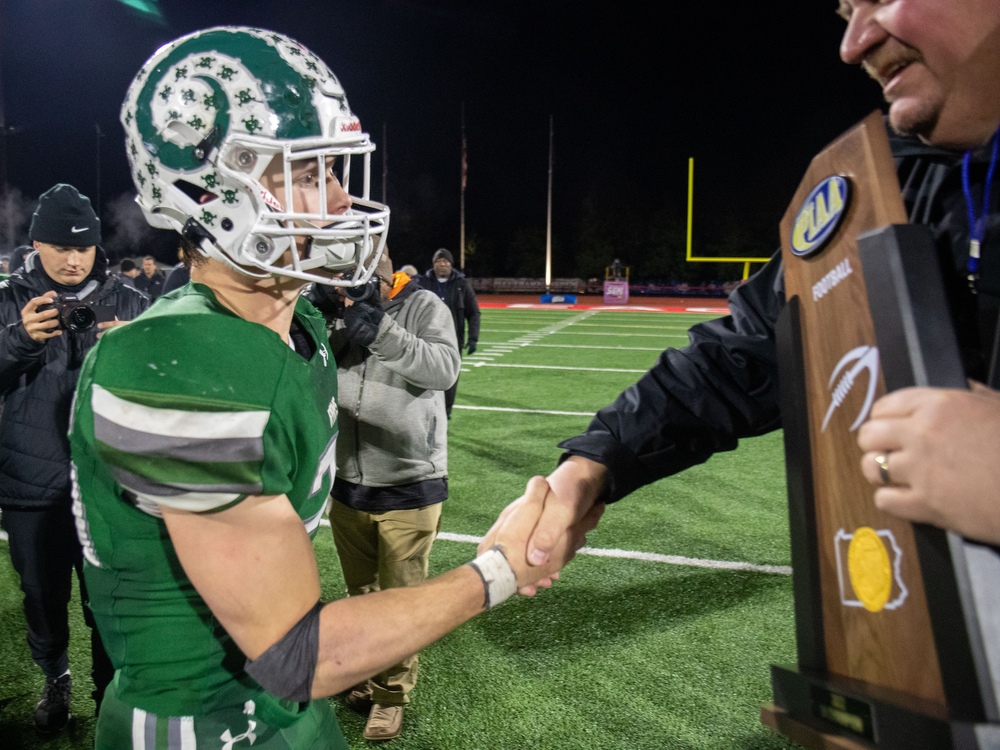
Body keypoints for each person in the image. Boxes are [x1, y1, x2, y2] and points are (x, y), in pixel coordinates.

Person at [70, 27, 594, 750]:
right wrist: (500, 570)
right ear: (211, 192)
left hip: (292, 723)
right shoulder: (176, 359)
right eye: (309, 174)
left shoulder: (300, 325)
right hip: (202, 729)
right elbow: (297, 656)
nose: (343, 197)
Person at [485, 0, 1000, 573]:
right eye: (846, 12)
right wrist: (591, 466)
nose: (853, 45)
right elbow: (748, 356)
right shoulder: (884, 182)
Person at [0, 183, 148, 731]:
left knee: (108, 601)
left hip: (109, 483)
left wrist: (138, 348)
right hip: (30, 482)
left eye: (82, 247)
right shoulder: (10, 300)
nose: (72, 258)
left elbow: (171, 384)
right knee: (40, 597)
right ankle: (55, 680)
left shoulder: (130, 300)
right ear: (37, 243)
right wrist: (19, 339)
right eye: (60, 246)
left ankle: (111, 693)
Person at [314, 252, 459, 740]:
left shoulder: (422, 305)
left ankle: (391, 696)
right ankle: (373, 677)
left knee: (398, 603)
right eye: (334, 280)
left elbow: (444, 368)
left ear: (381, 271)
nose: (342, 289)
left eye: (351, 278)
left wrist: (380, 331)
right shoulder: (329, 309)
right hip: (348, 484)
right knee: (363, 596)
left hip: (409, 480)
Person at [417, 248, 480, 417]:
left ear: (451, 265)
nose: (443, 264)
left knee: (449, 378)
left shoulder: (462, 285)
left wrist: (473, 338)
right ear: (434, 264)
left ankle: (445, 412)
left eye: (446, 261)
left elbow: (473, 312)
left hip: (453, 340)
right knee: (425, 376)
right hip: (426, 339)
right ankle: (427, 411)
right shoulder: (423, 282)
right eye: (439, 261)